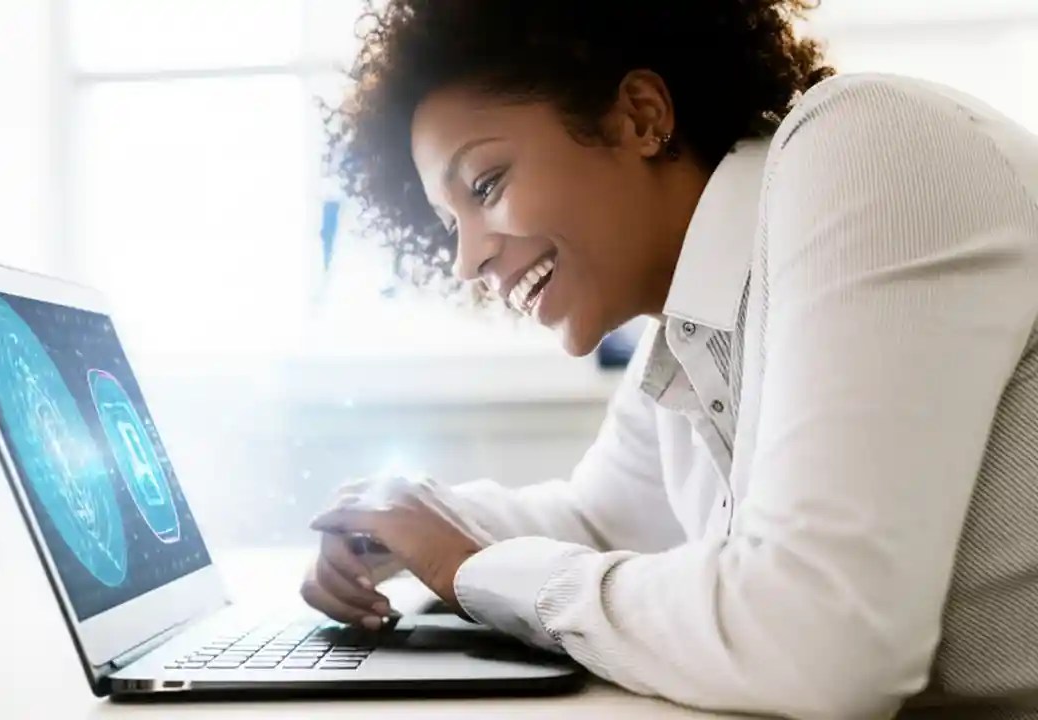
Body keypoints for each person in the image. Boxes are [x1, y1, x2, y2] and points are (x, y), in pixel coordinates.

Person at [300, 1, 1038, 717]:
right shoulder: (690, 330)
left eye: (486, 185)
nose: (467, 259)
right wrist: (404, 523)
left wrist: (469, 569)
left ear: (642, 117)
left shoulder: (869, 147)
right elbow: (599, 523)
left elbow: (824, 644)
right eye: (448, 221)